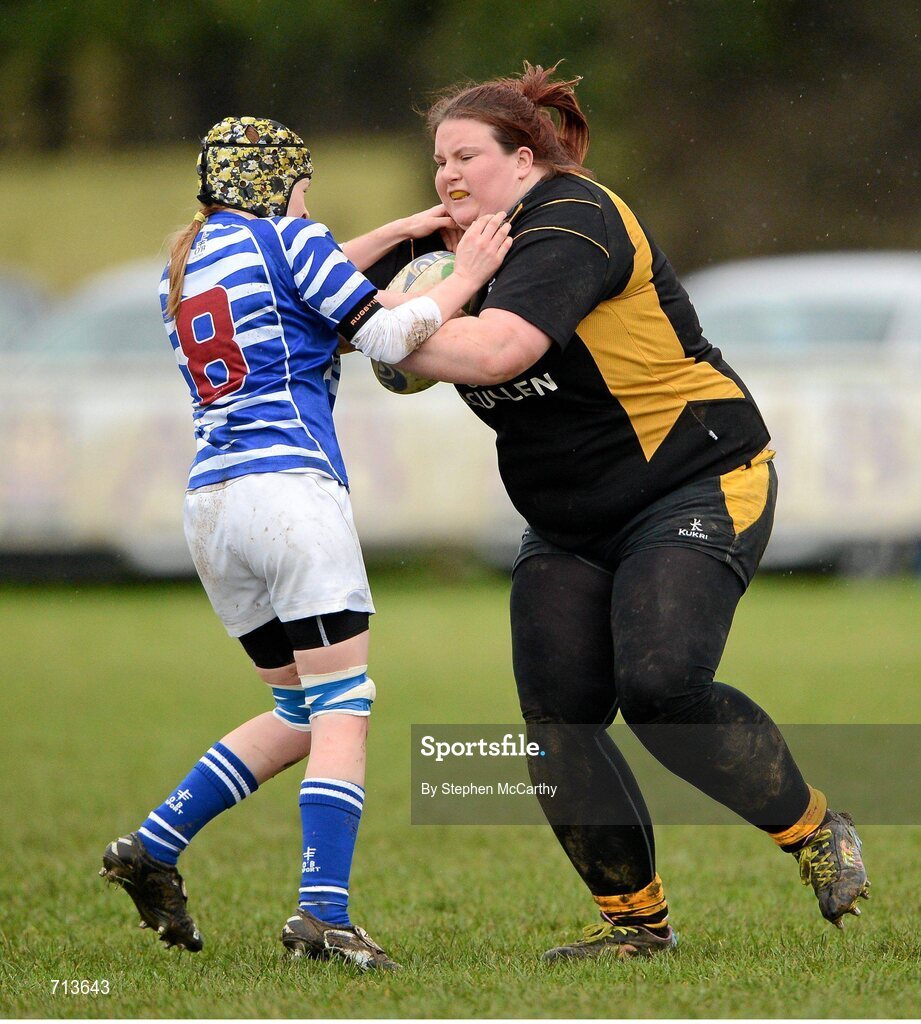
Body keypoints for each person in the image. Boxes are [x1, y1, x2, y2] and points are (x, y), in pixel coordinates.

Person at [362, 64, 870, 961]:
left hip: (696, 476)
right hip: (567, 517)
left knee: (661, 687)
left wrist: (397, 325)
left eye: (466, 156)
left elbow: (497, 351)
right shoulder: (446, 248)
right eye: (437, 160)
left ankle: (816, 830)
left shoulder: (572, 217)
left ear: (524, 159)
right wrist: (399, 254)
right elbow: (326, 301)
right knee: (558, 722)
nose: (446, 175)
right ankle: (636, 927)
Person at [98, 116, 511, 970]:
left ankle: (152, 846)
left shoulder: (186, 266)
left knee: (299, 711)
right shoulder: (294, 237)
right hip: (288, 498)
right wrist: (464, 274)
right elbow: (389, 338)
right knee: (345, 706)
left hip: (213, 508)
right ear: (278, 185)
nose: (306, 201)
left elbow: (298, 286)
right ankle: (322, 914)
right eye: (301, 185)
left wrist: (402, 234)